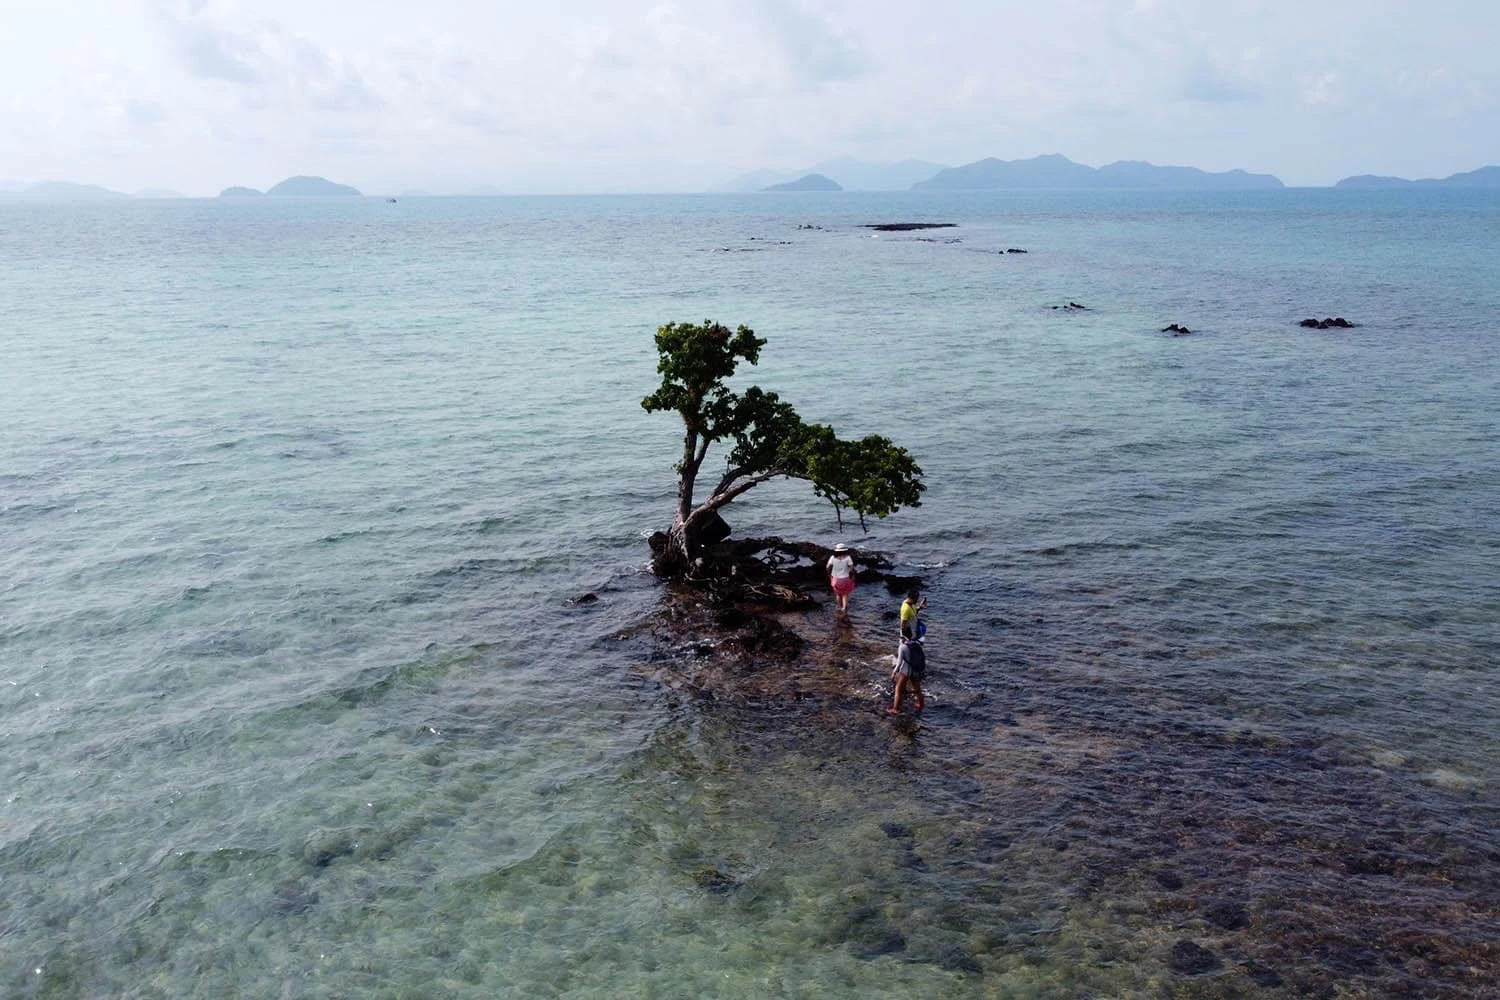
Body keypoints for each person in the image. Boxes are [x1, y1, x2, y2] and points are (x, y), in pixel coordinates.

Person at [889, 628, 926, 714]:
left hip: (906, 671)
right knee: (918, 689)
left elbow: (899, 663)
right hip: (916, 670)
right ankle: (921, 704)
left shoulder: (902, 647)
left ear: (903, 636)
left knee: (898, 689)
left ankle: (895, 709)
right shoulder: (916, 644)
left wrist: (894, 672)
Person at [826, 542, 856, 612]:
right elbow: (852, 568)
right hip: (845, 578)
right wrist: (852, 574)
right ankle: (844, 607)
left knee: (838, 594)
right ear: (845, 550)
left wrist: (829, 573)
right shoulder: (848, 557)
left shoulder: (833, 557)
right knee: (845, 594)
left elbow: (828, 567)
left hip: (835, 579)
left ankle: (839, 606)